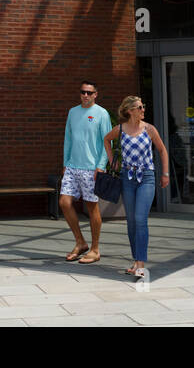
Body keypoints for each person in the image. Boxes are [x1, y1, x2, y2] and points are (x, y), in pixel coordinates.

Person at [104, 95, 169, 277]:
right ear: (129, 111)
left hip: (146, 177)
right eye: (140, 107)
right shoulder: (120, 129)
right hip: (127, 177)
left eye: (143, 107)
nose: (143, 110)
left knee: (140, 219)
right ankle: (136, 260)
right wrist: (112, 162)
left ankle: (141, 264)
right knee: (131, 222)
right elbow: (106, 140)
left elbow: (162, 150)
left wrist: (165, 174)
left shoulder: (149, 129)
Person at [60, 80, 111, 265]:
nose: (86, 95)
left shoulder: (102, 113)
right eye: (83, 92)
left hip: (91, 168)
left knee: (91, 208)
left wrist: (101, 165)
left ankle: (95, 249)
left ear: (96, 94)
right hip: (73, 166)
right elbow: (68, 138)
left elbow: (107, 141)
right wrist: (65, 162)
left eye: (90, 92)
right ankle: (80, 242)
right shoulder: (73, 112)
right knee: (64, 202)